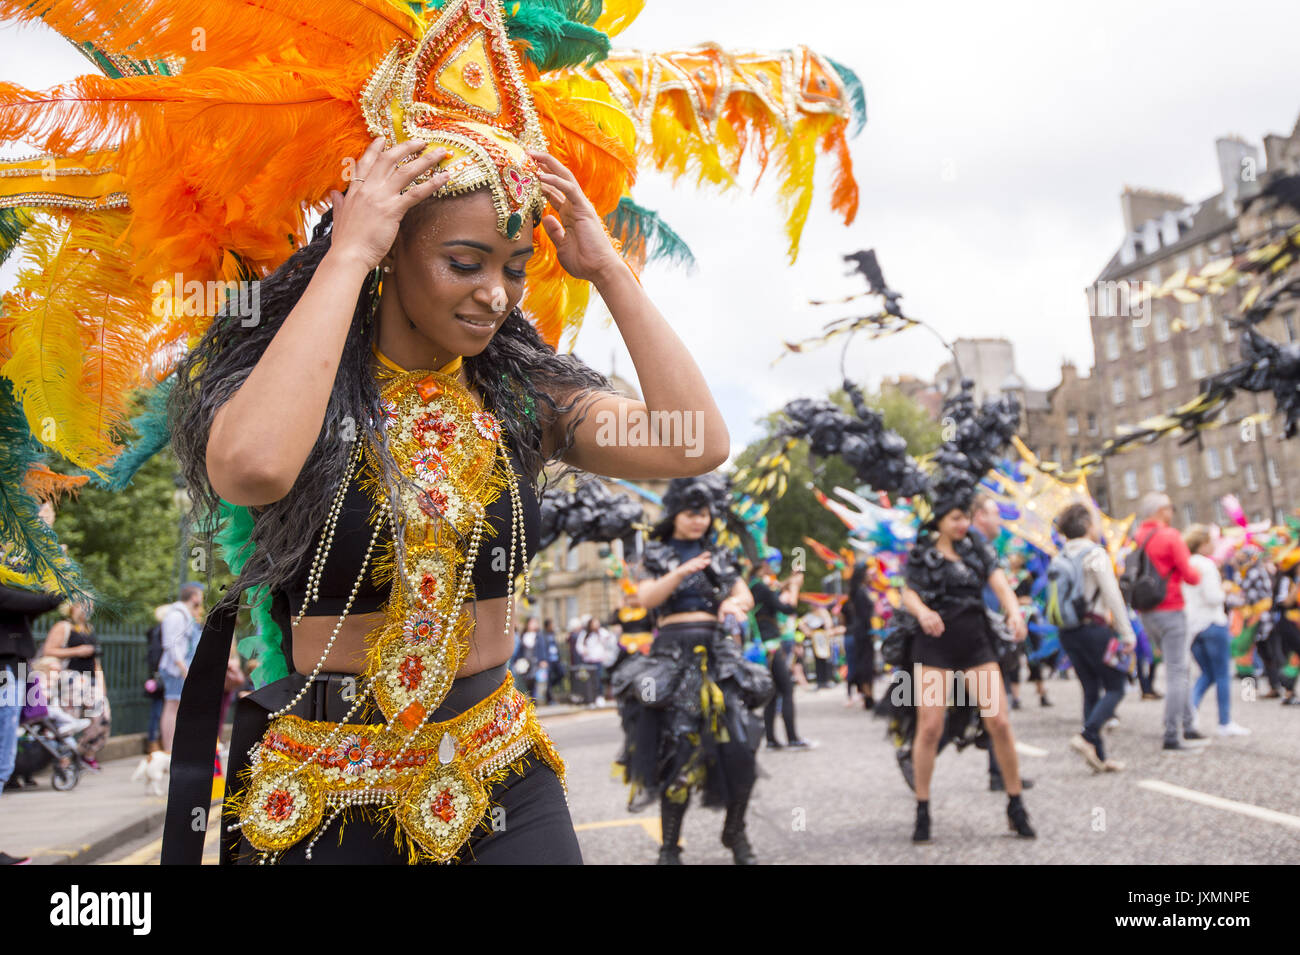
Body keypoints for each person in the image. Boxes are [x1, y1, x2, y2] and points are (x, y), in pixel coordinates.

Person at [164, 2, 734, 866]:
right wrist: (348, 251)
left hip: (498, 763)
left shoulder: (521, 394)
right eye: (463, 264)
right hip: (326, 779)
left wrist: (607, 267)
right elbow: (251, 467)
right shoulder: (306, 380)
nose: (495, 295)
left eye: (513, 269)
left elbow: (692, 442)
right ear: (393, 248)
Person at [611, 475, 768, 865]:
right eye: (691, 513)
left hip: (716, 653)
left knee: (741, 743)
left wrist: (736, 605)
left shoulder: (719, 554)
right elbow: (645, 598)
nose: (699, 520)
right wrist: (682, 572)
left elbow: (743, 593)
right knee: (679, 750)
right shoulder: (657, 553)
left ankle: (735, 832)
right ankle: (670, 847)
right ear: (676, 514)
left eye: (705, 514)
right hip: (672, 656)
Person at [900, 486, 1035, 843]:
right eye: (956, 518)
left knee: (999, 722)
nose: (963, 524)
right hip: (935, 645)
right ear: (941, 521)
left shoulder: (977, 549)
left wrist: (1013, 611)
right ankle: (923, 808)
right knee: (929, 727)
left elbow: (1000, 584)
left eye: (965, 517)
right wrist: (923, 611)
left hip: (976, 642)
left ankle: (1015, 803)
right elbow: (908, 591)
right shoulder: (923, 553)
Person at [0, 501, 64, 865]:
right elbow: (41, 597)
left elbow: (24, 570)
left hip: (12, 668)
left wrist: (42, 533)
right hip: (3, 671)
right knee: (0, 762)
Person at [1053, 503, 1136, 773]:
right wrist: (1127, 633)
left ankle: (1099, 756)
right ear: (1088, 526)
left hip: (1068, 632)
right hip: (1095, 629)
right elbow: (1112, 595)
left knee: (1090, 688)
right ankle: (1087, 736)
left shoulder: (1060, 556)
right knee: (1116, 687)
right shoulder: (1095, 554)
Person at [1131, 493, 1207, 752]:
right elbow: (1191, 576)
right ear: (1162, 510)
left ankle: (1188, 724)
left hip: (1146, 612)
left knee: (1178, 669)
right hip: (1171, 608)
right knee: (1178, 671)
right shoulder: (1170, 536)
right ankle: (1173, 733)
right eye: (1170, 508)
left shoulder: (1137, 537)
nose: (1172, 512)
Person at [1182, 526, 1249, 737]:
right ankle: (1224, 722)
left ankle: (1189, 712)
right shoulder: (1207, 565)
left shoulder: (1185, 564)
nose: (1214, 544)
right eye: (1211, 541)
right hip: (1212, 622)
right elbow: (1212, 597)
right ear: (1202, 544)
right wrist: (1225, 590)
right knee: (1221, 674)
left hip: (1193, 626)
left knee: (1207, 674)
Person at [40, 599, 111, 771]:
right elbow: (48, 651)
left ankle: (86, 753)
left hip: (91, 678)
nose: (87, 610)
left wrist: (101, 683)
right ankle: (66, 758)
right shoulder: (64, 627)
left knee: (102, 716)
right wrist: (77, 651)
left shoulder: (90, 629)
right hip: (71, 678)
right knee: (70, 717)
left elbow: (96, 661)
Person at [749, 557, 810, 748]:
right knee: (787, 689)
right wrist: (795, 587)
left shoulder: (753, 586)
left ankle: (771, 739)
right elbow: (788, 608)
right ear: (762, 565)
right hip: (772, 645)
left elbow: (772, 592)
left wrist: (788, 581)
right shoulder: (761, 588)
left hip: (764, 645)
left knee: (773, 692)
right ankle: (792, 738)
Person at [158, 583, 204, 755]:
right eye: (199, 595)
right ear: (193, 597)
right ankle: (168, 747)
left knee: (177, 706)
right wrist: (182, 668)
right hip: (175, 669)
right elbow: (171, 644)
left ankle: (173, 745)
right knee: (172, 705)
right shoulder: (176, 615)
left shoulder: (186, 615)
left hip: (182, 667)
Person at [843, 562, 876, 707]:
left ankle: (867, 695)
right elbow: (864, 616)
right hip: (863, 632)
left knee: (864, 663)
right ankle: (867, 695)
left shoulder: (859, 591)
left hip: (862, 631)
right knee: (865, 664)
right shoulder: (860, 592)